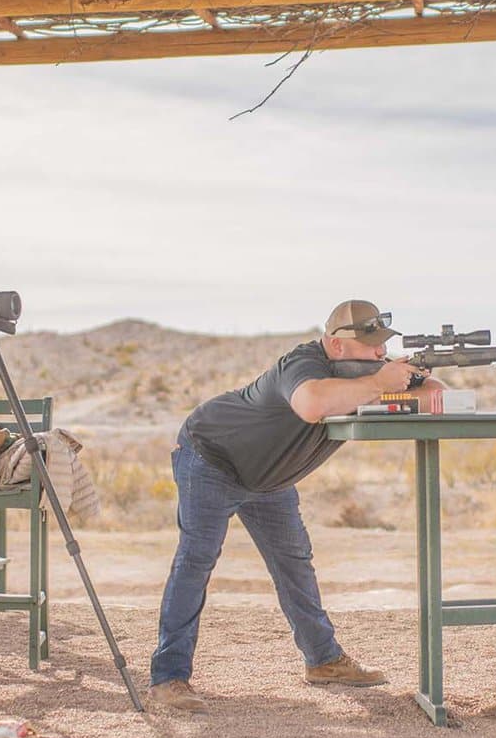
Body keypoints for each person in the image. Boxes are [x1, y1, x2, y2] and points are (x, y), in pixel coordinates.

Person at [150, 300, 440, 713]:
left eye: (383, 346)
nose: (380, 353)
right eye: (371, 345)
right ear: (336, 346)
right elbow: (312, 404)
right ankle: (167, 679)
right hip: (211, 457)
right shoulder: (302, 364)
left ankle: (323, 660)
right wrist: (381, 382)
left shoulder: (371, 372)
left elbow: (437, 398)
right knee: (196, 560)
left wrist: (411, 378)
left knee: (294, 563)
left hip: (270, 479)